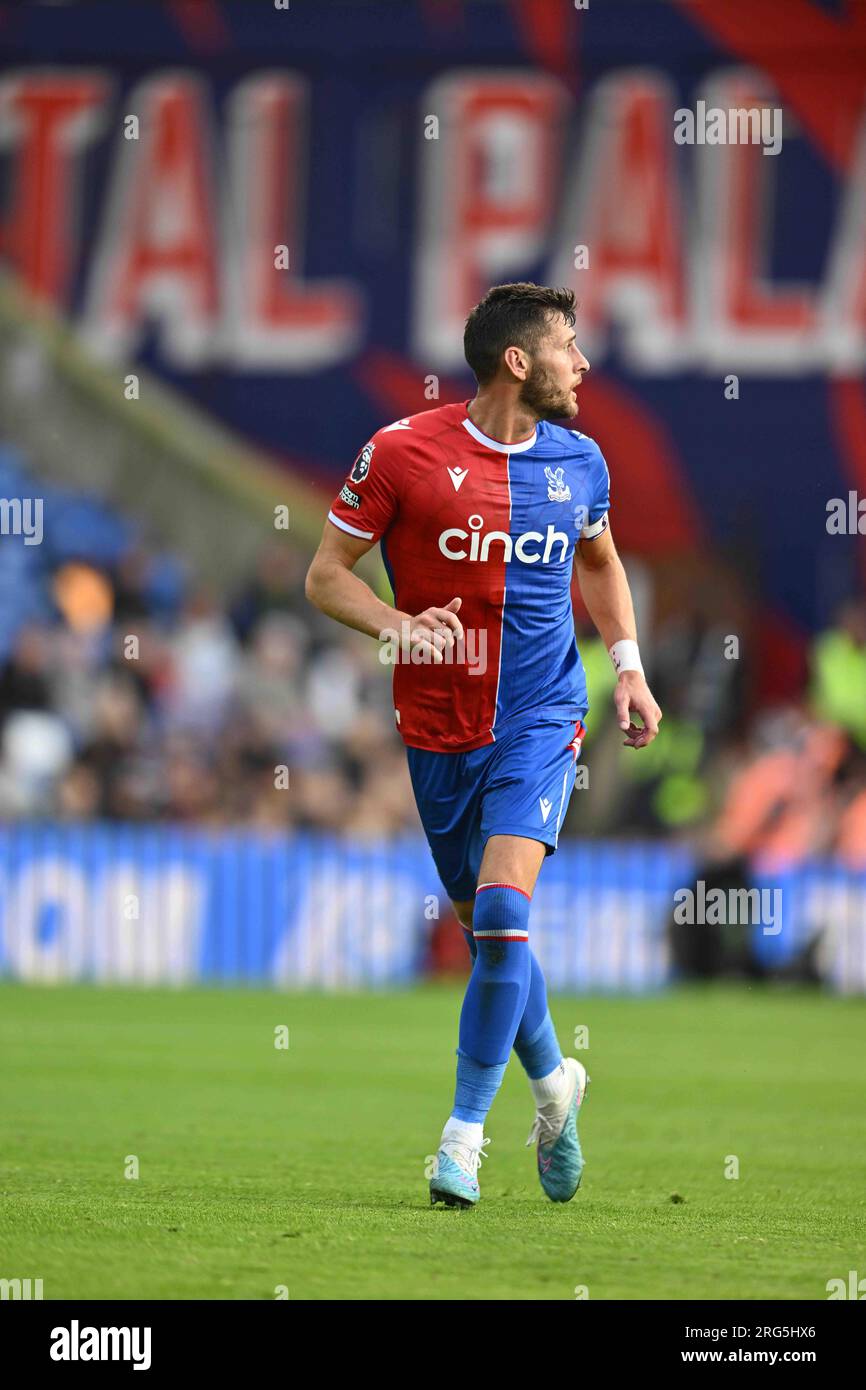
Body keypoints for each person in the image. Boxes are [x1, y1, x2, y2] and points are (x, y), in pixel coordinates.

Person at [306, 282, 661, 1207]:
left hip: (543, 716)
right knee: (486, 933)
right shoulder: (401, 453)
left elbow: (601, 562)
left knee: (504, 913)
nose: (582, 364)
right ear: (518, 361)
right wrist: (394, 624)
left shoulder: (581, 461)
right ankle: (555, 1090)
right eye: (569, 346)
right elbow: (325, 576)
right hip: (437, 726)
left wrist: (627, 667)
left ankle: (460, 1141)